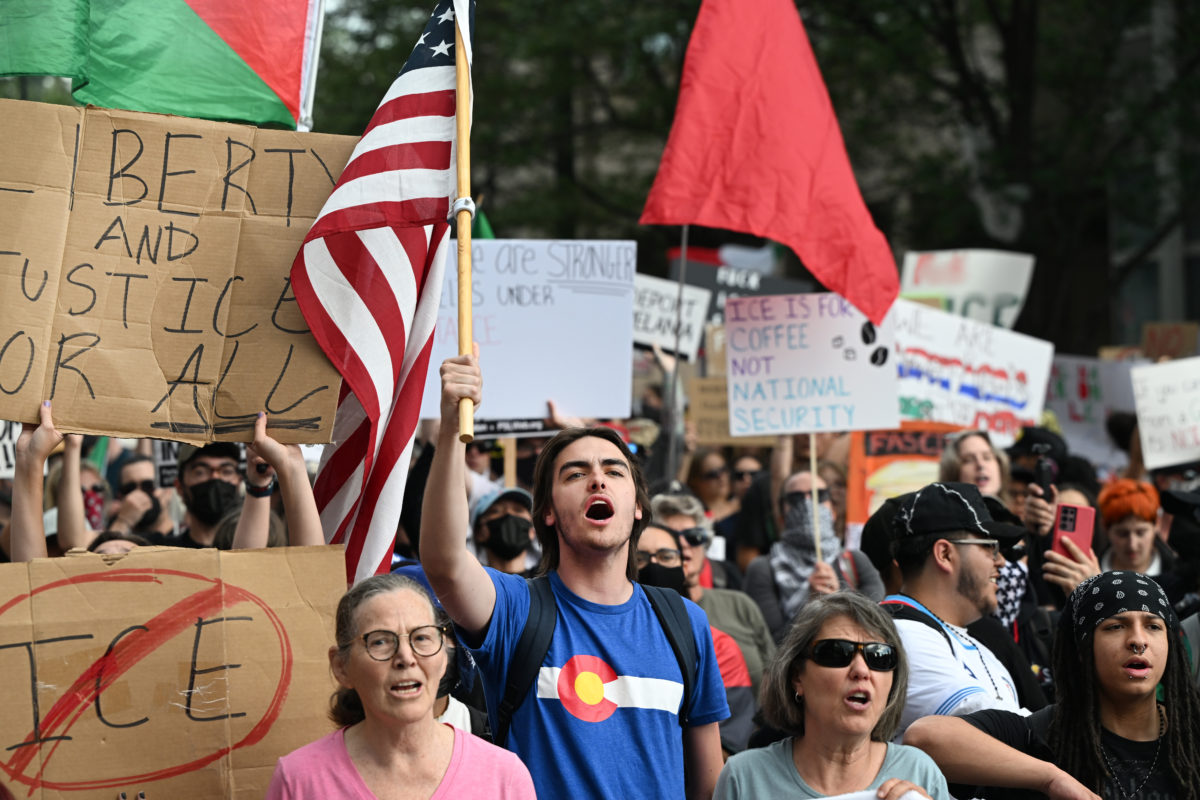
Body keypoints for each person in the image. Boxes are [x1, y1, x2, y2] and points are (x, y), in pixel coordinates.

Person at [420, 354, 728, 800]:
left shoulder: (685, 622)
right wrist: (451, 431)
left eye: (614, 471)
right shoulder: (516, 609)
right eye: (576, 473)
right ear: (546, 512)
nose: (597, 481)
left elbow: (709, 786)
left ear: (638, 506)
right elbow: (445, 562)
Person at [904, 571, 1200, 800]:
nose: (1138, 640)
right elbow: (924, 738)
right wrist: (1050, 778)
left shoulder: (1191, 735)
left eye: (1153, 626)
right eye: (1115, 626)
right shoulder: (1042, 736)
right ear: (1082, 650)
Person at [265, 573, 534, 799]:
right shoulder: (298, 781)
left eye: (421, 637)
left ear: (443, 659)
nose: (406, 657)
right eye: (380, 641)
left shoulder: (503, 777)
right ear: (341, 667)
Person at [714, 591, 950, 800]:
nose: (861, 671)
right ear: (797, 677)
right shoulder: (744, 777)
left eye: (879, 656)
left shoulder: (920, 773)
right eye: (837, 653)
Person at [882, 482, 1030, 737]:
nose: (1001, 561)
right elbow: (989, 724)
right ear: (945, 554)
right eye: (989, 546)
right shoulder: (900, 634)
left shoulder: (972, 642)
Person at [652, 493, 774, 697]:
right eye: (671, 536)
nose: (683, 544)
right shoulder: (644, 613)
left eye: (693, 536)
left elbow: (775, 681)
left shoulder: (740, 605)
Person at [745, 469, 883, 642]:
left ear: (833, 511)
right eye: (796, 498)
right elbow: (770, 643)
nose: (808, 503)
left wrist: (838, 598)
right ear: (781, 517)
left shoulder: (856, 562)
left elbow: (878, 626)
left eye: (819, 495)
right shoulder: (763, 569)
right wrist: (810, 606)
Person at [1096, 479, 1174, 576]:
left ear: (1157, 524)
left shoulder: (1177, 573)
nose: (1132, 545)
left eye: (1140, 533)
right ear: (1106, 529)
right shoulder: (1090, 576)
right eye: (1122, 534)